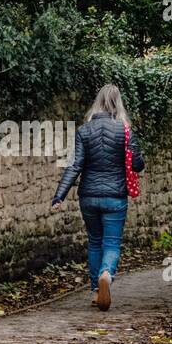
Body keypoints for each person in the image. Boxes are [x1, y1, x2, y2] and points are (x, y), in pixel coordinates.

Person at [51, 84, 145, 311]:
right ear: (118, 103)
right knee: (111, 242)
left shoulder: (84, 131)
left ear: (98, 102)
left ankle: (95, 290)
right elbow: (137, 165)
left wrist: (59, 196)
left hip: (89, 197)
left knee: (94, 242)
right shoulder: (125, 130)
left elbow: (75, 166)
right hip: (115, 197)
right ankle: (106, 274)